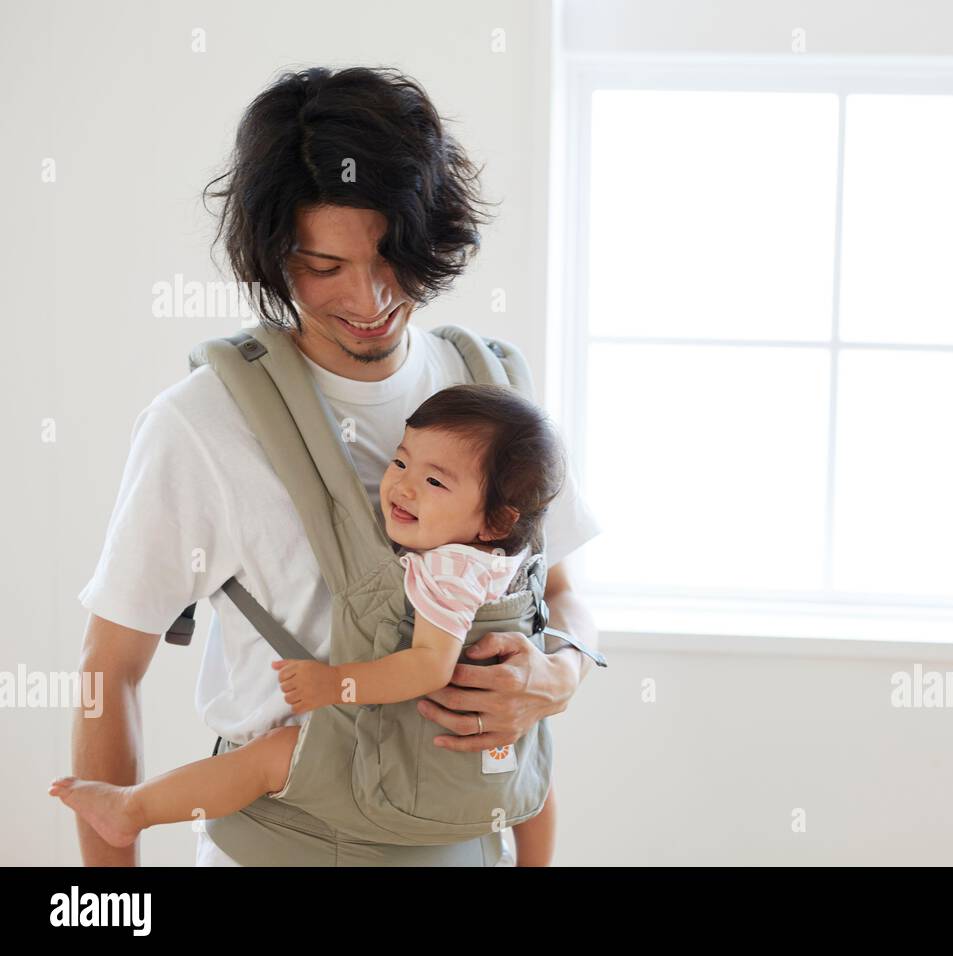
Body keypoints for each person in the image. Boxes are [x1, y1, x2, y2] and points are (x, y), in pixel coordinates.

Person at [72, 66, 603, 867]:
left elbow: (557, 594)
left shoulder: (489, 392)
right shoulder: (201, 423)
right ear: (274, 261)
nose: (369, 297)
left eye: (392, 256)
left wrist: (560, 673)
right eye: (324, 268)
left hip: (466, 840)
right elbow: (108, 673)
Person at [58, 384, 567, 866]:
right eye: (400, 461)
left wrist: (334, 684)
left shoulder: (449, 570)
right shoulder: (511, 554)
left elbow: (430, 665)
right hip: (485, 771)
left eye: (434, 481)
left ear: (497, 519)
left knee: (272, 756)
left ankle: (135, 810)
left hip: (407, 749)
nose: (403, 486)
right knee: (535, 778)